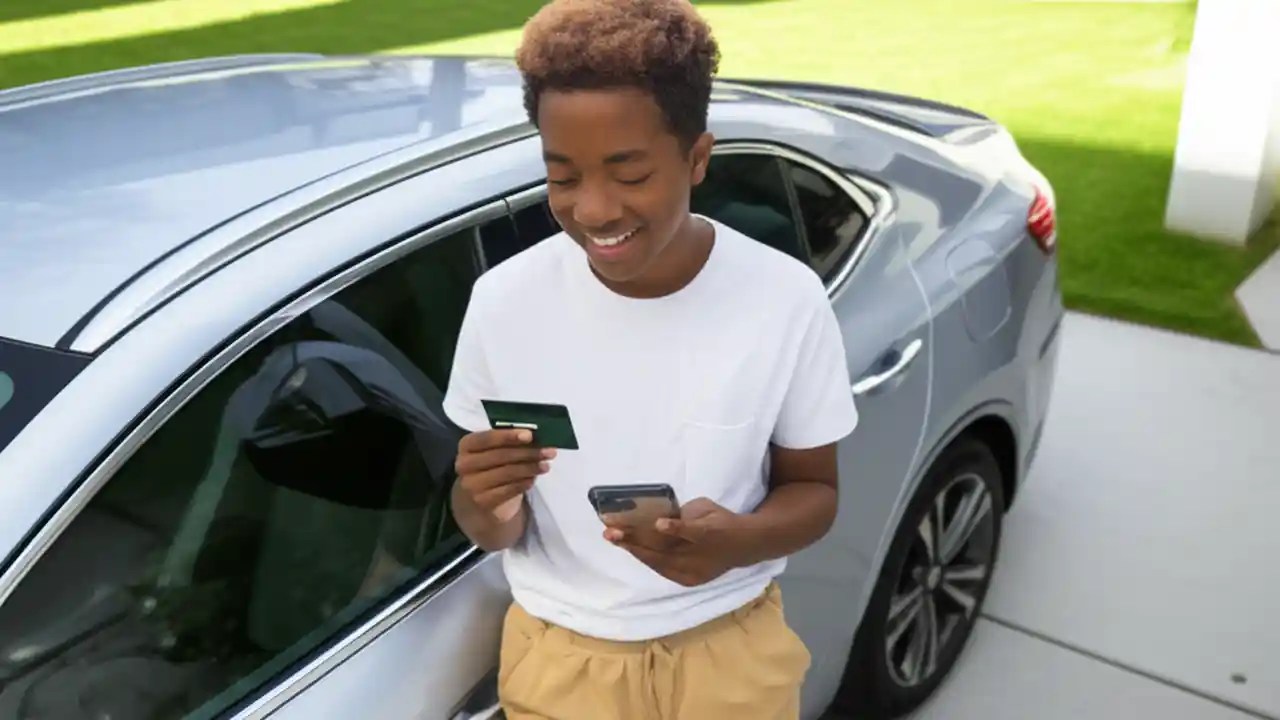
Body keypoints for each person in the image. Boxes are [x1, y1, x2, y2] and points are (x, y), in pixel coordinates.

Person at [441, 1, 859, 718]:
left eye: (629, 174)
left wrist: (739, 543)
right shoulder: (503, 303)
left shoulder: (783, 298)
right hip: (562, 660)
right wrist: (479, 499)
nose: (594, 210)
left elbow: (815, 494)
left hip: (730, 652)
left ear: (697, 158)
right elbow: (496, 528)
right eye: (563, 177)